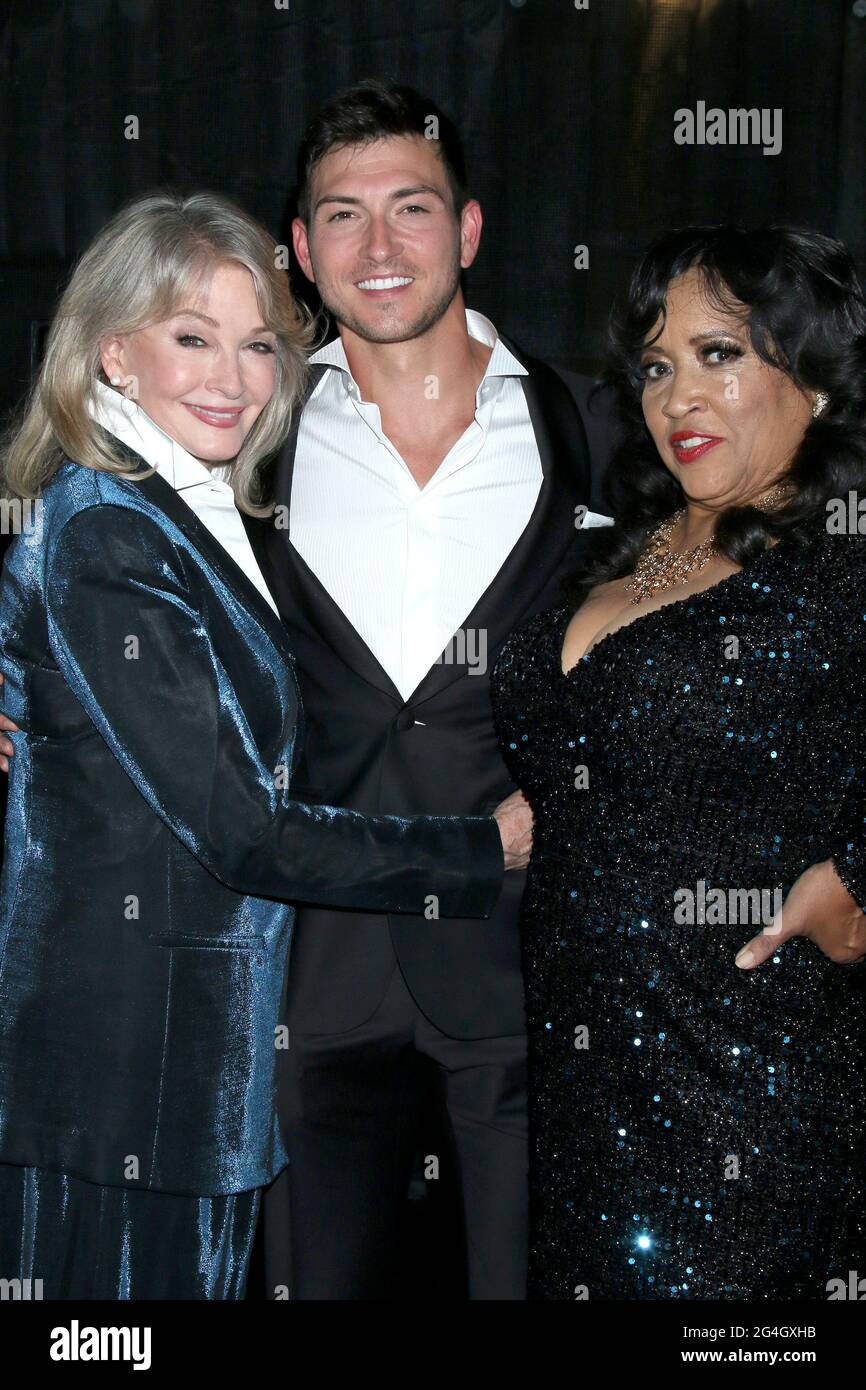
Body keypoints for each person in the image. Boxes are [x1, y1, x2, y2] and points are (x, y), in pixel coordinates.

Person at [0, 189, 530, 1301]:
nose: (231, 378)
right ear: (111, 354)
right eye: (191, 338)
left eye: (255, 345)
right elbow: (241, 830)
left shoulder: (179, 505)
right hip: (133, 1069)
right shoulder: (109, 528)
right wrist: (477, 849)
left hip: (178, 1060)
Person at [240, 79, 614, 1300]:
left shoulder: (598, 431)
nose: (379, 247)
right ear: (300, 251)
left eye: (411, 208)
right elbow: (109, 579)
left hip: (524, 965)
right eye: (342, 215)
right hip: (310, 965)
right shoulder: (241, 437)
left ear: (466, 230)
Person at [490, 224, 866, 1299]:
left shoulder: (840, 560)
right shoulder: (618, 545)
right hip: (578, 1090)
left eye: (719, 354)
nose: (674, 397)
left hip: (747, 1085)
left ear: (818, 378)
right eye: (655, 366)